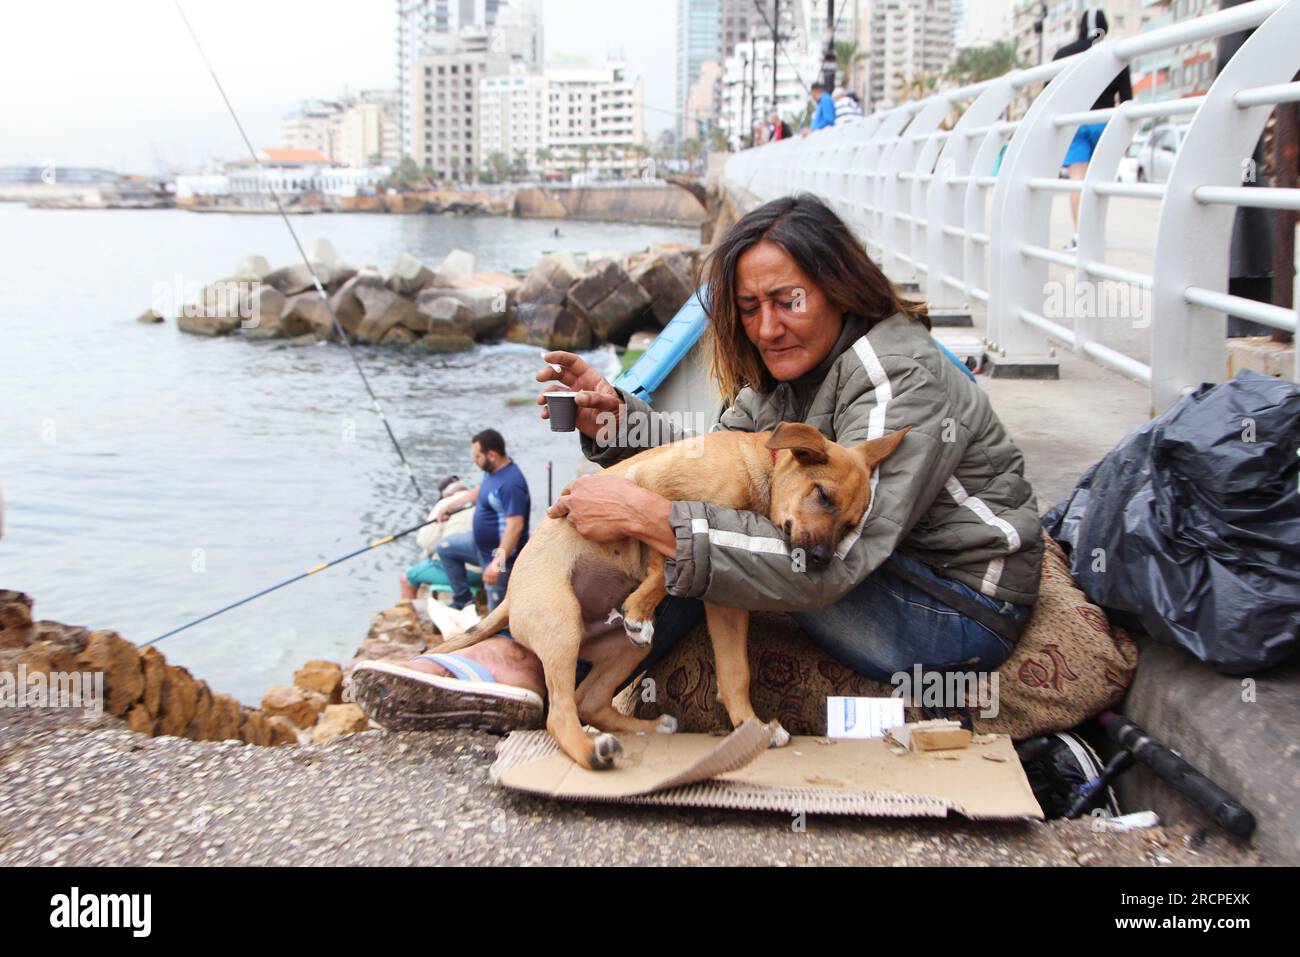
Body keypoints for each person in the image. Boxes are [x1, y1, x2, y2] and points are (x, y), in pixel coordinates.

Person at [357, 193, 1043, 729]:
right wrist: (620, 420)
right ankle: (535, 650)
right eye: (749, 308)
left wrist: (656, 517)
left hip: (950, 603)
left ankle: (520, 662)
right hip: (891, 572)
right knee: (694, 531)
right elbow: (715, 460)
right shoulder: (786, 374)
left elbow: (837, 557)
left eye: (788, 300)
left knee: (688, 541)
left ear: (840, 286)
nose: (767, 326)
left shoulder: (899, 378)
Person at [1054, 9, 1132, 247]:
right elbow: (1127, 97)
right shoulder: (1116, 55)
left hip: (1075, 122)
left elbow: (1050, 91)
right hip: (1104, 121)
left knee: (1078, 180)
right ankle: (1096, 235)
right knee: (1097, 183)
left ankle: (1080, 237)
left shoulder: (1064, 54)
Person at [429, 429, 530, 613]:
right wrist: (451, 506)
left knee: (496, 618)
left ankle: (502, 635)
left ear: (491, 455)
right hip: (479, 547)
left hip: (501, 557)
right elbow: (481, 490)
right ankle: (463, 600)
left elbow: (515, 527)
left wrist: (496, 565)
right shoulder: (492, 472)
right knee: (445, 547)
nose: (473, 460)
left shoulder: (511, 483)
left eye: (477, 456)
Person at [398, 474, 475, 601]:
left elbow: (425, 543)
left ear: (445, 494)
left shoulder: (444, 505)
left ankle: (408, 615)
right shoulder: (481, 500)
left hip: (463, 573)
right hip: (490, 566)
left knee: (407, 578)